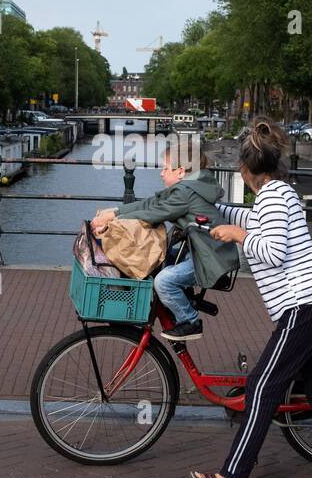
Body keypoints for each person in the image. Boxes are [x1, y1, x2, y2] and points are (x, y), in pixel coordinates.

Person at [188, 119, 312, 478]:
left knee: (261, 386)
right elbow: (256, 220)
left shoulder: (272, 196)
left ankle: (234, 476)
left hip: (301, 307)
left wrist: (237, 236)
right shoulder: (280, 193)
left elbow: (271, 250)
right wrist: (215, 209)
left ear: (246, 169)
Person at [91, 135, 239, 341]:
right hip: (201, 250)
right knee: (157, 261)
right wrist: (113, 212)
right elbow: (151, 203)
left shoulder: (184, 193)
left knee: (163, 281)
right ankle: (172, 306)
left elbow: (152, 213)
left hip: (210, 258)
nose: (161, 173)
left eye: (165, 168)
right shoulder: (188, 187)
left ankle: (190, 321)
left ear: (180, 172)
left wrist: (113, 218)